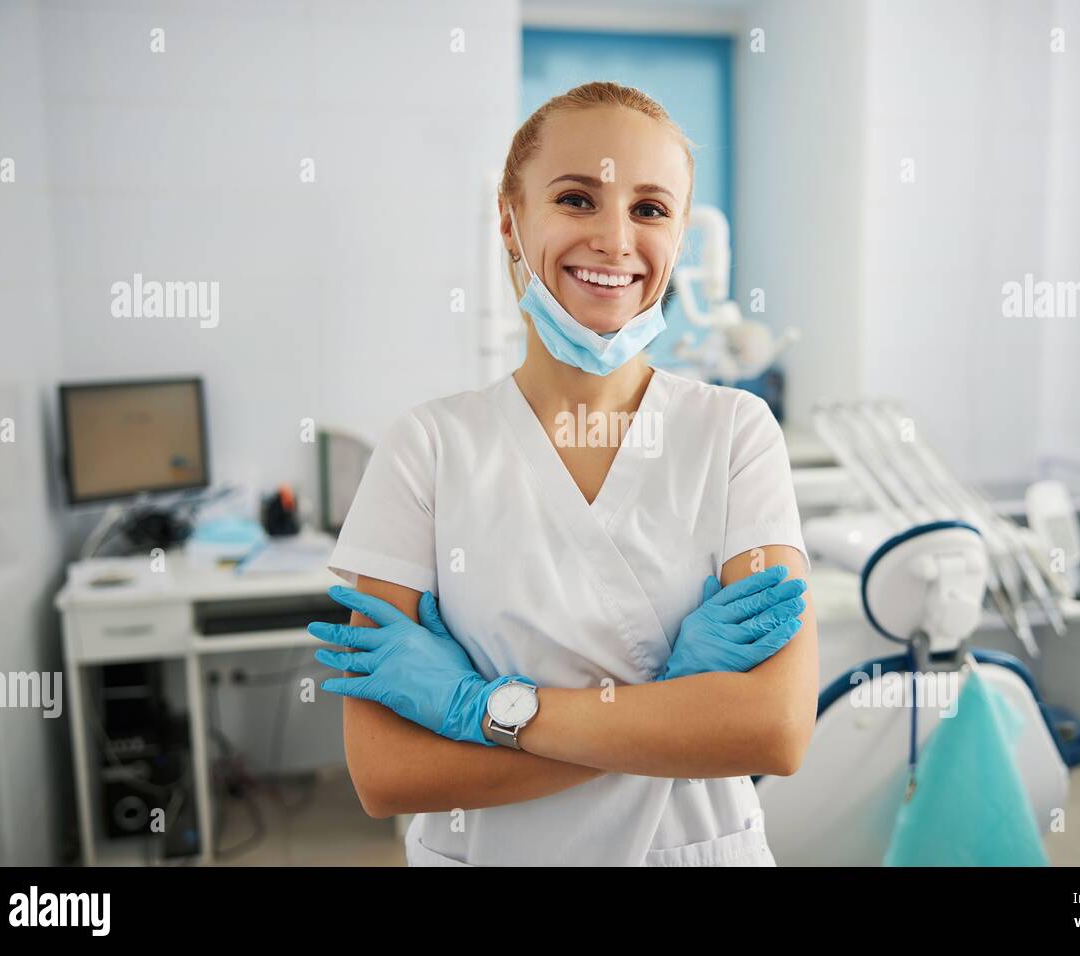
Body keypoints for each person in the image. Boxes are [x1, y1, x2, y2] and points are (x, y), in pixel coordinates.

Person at [310, 81, 818, 866]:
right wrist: (672, 707)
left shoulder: (734, 434)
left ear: (678, 238)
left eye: (650, 210)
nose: (616, 239)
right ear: (510, 225)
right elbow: (388, 772)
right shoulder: (429, 449)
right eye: (578, 198)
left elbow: (772, 731)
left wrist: (476, 708)